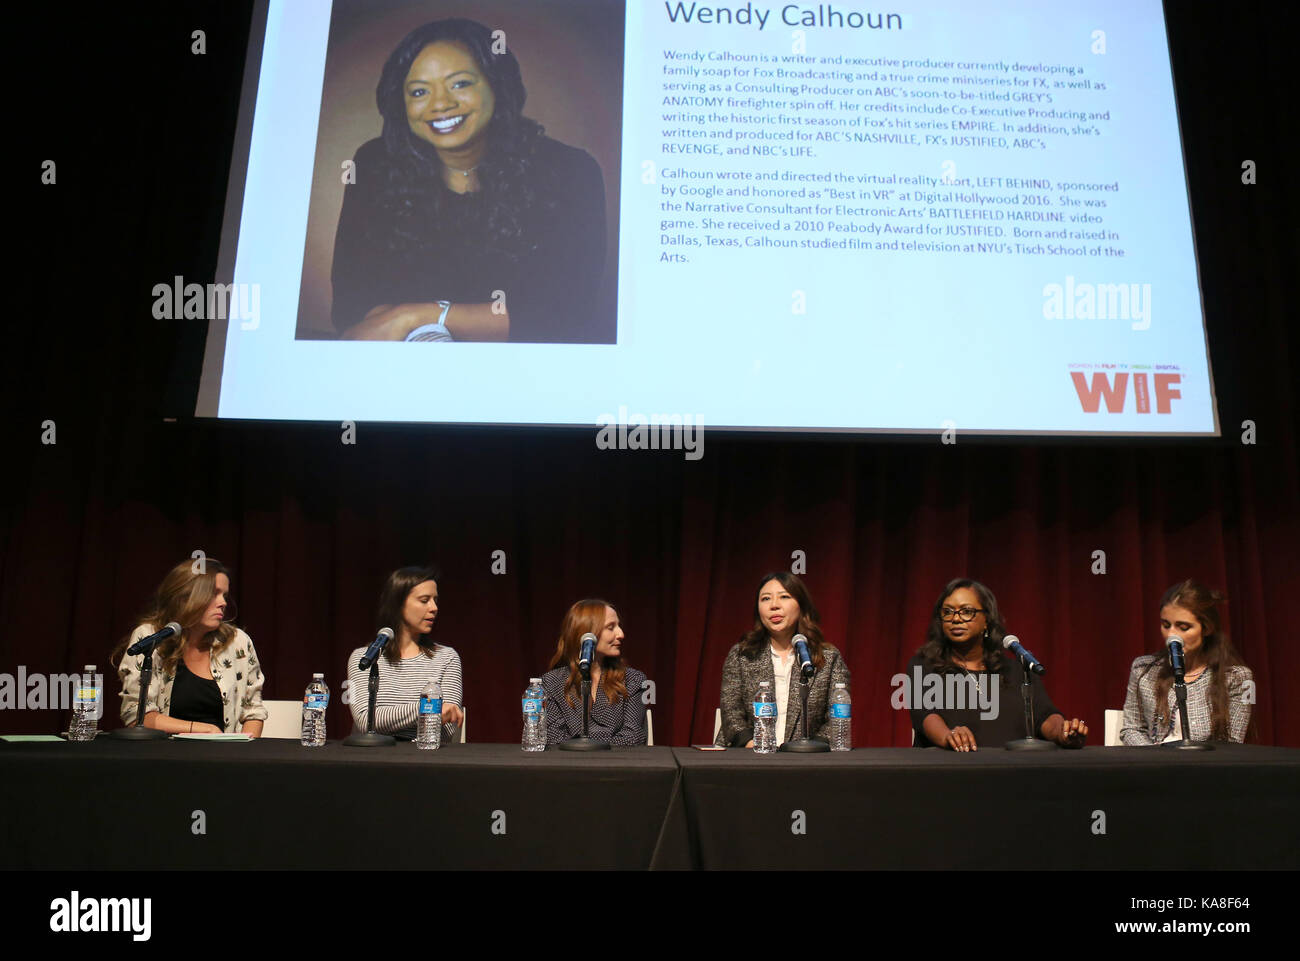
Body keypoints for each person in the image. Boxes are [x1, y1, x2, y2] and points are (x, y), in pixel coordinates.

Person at [331, 18, 607, 344]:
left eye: (460, 84)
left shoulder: (570, 171)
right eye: (419, 91)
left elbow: (570, 312)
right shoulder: (375, 165)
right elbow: (351, 307)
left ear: (497, 85)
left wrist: (416, 316)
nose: (441, 104)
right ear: (400, 103)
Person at [907, 578, 1087, 750]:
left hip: (1013, 772)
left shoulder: (1016, 670)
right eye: (947, 612)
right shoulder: (924, 666)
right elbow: (925, 715)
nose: (956, 619)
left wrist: (1063, 732)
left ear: (987, 619)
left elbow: (1044, 716)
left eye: (966, 611)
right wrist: (948, 735)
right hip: (951, 770)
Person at [113, 559, 267, 736]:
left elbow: (253, 711)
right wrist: (203, 730)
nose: (223, 602)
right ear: (186, 596)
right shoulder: (150, 637)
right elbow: (136, 715)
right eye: (214, 593)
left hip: (222, 757)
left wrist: (242, 754)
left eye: (224, 595)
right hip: (162, 756)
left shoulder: (237, 642)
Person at [714, 572, 850, 748]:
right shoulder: (742, 654)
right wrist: (753, 744)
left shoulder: (829, 657)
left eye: (784, 597)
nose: (774, 606)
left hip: (807, 761)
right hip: (748, 756)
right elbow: (731, 712)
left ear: (801, 605)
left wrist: (807, 751)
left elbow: (836, 720)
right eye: (765, 599)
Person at [1120, 580, 1253, 744]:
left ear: (1206, 628)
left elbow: (1233, 743)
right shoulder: (1143, 669)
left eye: (1183, 627)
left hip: (1206, 767)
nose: (1171, 635)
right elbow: (1132, 729)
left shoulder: (1238, 678)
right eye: (1166, 625)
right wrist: (1155, 760)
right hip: (1154, 764)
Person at [346, 567, 464, 740]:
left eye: (435, 600)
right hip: (373, 758)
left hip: (425, 757)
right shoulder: (364, 657)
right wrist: (428, 708)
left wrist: (392, 719)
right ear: (398, 604)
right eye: (424, 600)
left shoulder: (447, 657)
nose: (434, 607)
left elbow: (447, 722)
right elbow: (366, 720)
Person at [541, 599, 646, 746]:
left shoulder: (633, 679)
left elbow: (633, 736)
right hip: (569, 765)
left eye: (619, 626)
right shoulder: (551, 682)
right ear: (585, 634)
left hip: (617, 765)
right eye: (611, 627)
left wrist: (587, 745)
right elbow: (553, 736)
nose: (621, 634)